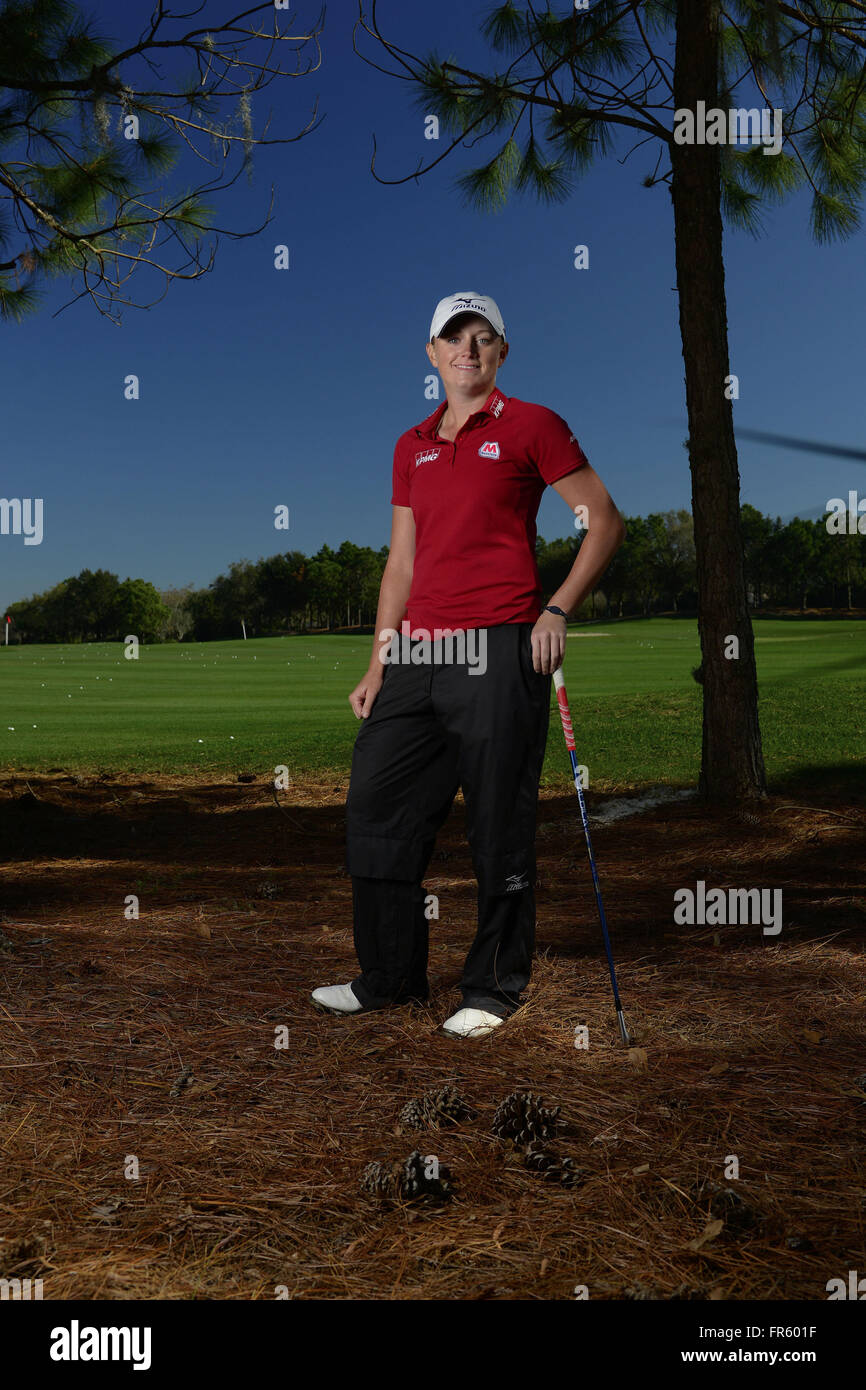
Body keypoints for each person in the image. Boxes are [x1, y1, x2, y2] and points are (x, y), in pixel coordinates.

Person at [312, 291, 625, 1038]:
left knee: (496, 820)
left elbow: (604, 520)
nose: (468, 351)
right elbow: (401, 561)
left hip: (499, 643)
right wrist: (379, 660)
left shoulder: (532, 425)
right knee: (377, 806)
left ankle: (492, 987)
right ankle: (388, 977)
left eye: (483, 339)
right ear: (431, 354)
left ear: (501, 353)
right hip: (418, 651)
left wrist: (556, 611)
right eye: (454, 339)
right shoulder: (410, 444)